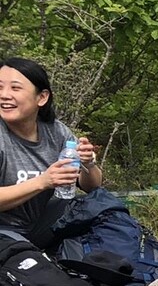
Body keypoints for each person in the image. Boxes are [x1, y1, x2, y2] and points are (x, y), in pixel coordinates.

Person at [0, 57, 103, 244]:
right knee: (33, 262)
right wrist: (42, 182)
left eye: (15, 88)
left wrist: (88, 163)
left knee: (102, 210)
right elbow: (44, 182)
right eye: (0, 87)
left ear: (42, 97)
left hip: (40, 225)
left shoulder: (56, 132)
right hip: (5, 230)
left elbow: (92, 187)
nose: (5, 95)